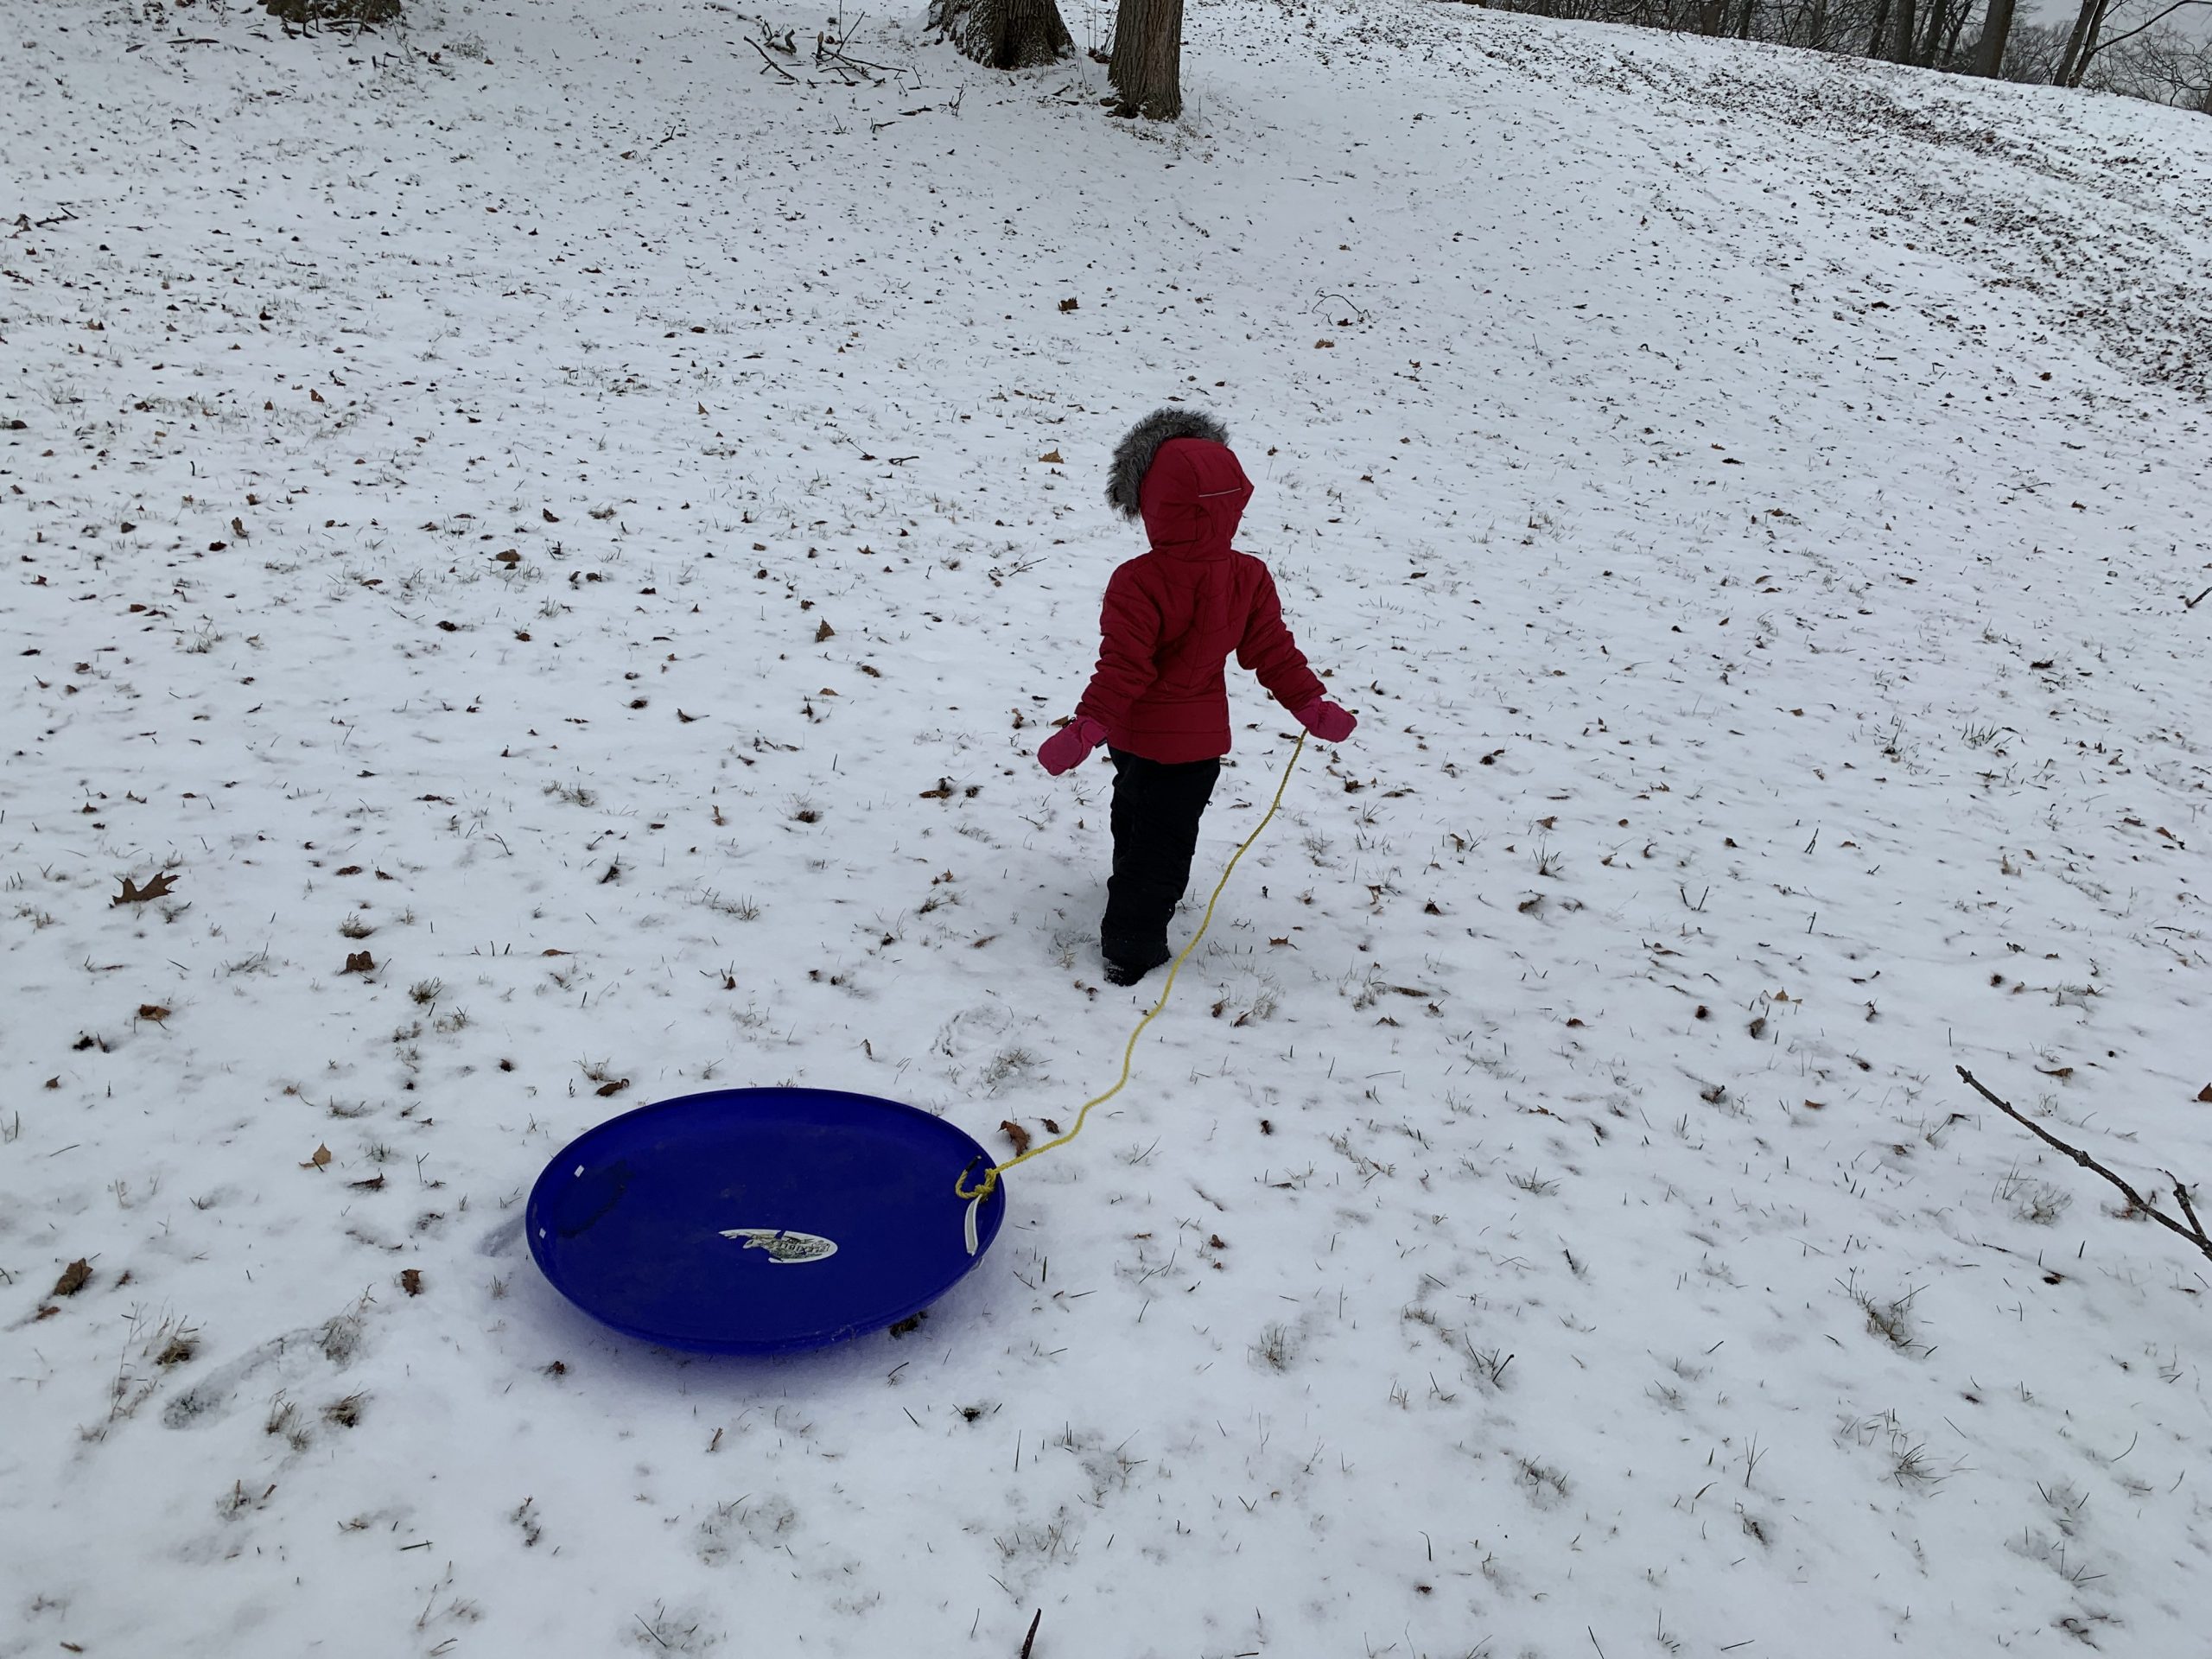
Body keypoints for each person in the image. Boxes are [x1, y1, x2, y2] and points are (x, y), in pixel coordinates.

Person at [1037, 410, 1357, 986]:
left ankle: (1130, 923)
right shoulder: (1247, 575)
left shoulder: (1137, 579)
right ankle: (1131, 916)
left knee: (1139, 817)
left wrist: (1087, 728)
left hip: (1133, 735)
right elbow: (1274, 653)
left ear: (1154, 503)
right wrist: (1307, 703)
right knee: (1156, 832)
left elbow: (1123, 670)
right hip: (1193, 746)